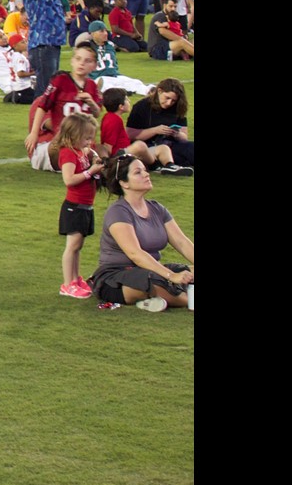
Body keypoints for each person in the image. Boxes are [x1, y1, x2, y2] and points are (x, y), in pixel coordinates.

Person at [87, 154, 195, 311]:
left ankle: (153, 301)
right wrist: (171, 276)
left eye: (145, 170)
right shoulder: (118, 212)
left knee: (187, 272)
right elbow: (135, 254)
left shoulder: (157, 208)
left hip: (151, 269)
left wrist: (174, 274)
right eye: (138, 172)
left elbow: (182, 242)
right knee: (157, 281)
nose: (146, 174)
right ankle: (185, 299)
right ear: (124, 183)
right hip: (116, 276)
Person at [54, 113, 106, 300]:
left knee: (78, 246)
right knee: (72, 246)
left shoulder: (81, 152)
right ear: (73, 135)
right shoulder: (67, 153)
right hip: (74, 206)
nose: (90, 141)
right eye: (87, 137)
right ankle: (68, 284)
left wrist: (95, 167)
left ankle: (75, 280)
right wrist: (90, 171)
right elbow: (69, 180)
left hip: (85, 205)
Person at [19, 0, 67, 100]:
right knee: (44, 91)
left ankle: (45, 121)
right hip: (42, 43)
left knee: (50, 88)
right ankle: (38, 122)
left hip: (51, 42)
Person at [126, 78, 194, 171]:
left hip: (171, 145)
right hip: (148, 147)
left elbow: (184, 137)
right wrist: (155, 130)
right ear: (159, 91)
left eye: (173, 100)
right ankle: (169, 164)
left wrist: (176, 134)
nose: (169, 103)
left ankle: (171, 164)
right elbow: (130, 135)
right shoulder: (142, 106)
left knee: (190, 147)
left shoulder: (178, 107)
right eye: (167, 98)